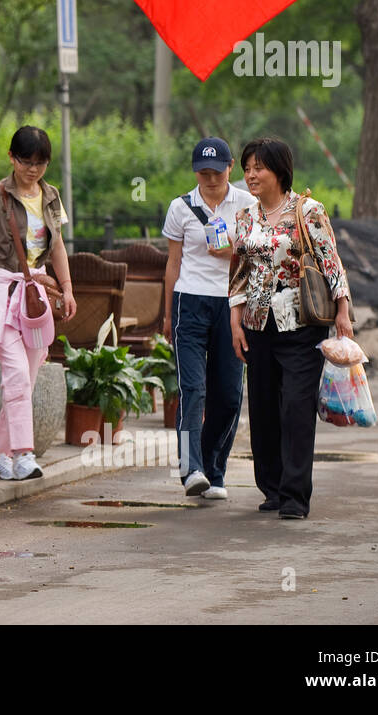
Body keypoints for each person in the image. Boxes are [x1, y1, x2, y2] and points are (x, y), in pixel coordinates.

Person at [229, 137, 353, 520]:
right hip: (257, 325)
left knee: (296, 407)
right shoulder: (246, 217)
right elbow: (238, 272)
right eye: (247, 168)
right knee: (264, 409)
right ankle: (272, 488)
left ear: (279, 171)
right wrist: (235, 320)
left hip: (301, 324)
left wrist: (343, 311)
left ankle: (295, 496)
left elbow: (331, 262)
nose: (250, 175)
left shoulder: (308, 210)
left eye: (258, 168)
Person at [0, 126, 76, 481]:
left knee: (26, 377)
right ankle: (23, 453)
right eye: (26, 161)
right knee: (17, 374)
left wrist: (67, 289)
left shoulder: (51, 197)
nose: (33, 169)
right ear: (12, 157)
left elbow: (57, 248)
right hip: (0, 290)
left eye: (40, 163)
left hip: (34, 296)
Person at [161, 137, 258, 499]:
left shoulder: (248, 204)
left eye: (217, 172)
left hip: (233, 304)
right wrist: (168, 313)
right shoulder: (181, 207)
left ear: (230, 167)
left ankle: (215, 470)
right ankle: (192, 469)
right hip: (190, 300)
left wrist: (229, 250)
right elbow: (172, 263)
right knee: (193, 390)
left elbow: (258, 255)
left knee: (230, 395)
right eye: (203, 172)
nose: (211, 179)